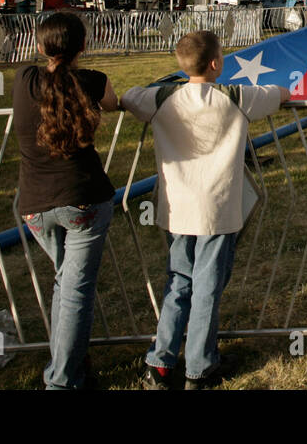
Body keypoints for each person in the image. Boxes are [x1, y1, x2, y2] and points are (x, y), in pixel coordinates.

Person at [120, 30, 289, 389]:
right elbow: (280, 94)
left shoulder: (164, 98)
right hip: (218, 207)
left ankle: (161, 362)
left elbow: (130, 97)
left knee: (179, 281)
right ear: (215, 64)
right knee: (207, 286)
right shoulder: (236, 96)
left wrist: (169, 82)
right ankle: (199, 365)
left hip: (178, 207)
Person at [12, 12, 119, 389]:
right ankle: (62, 379)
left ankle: (68, 365)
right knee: (74, 290)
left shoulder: (24, 80)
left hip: (35, 204)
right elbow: (112, 102)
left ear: (40, 47)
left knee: (64, 284)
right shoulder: (91, 82)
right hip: (83, 200)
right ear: (84, 47)